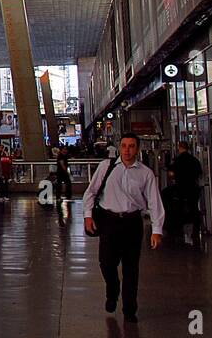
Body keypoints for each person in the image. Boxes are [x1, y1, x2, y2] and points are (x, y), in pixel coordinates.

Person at [83, 133, 164, 323]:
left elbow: (154, 201)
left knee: (131, 268)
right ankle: (112, 290)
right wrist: (88, 217)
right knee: (106, 263)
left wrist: (156, 230)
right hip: (109, 221)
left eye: (131, 146)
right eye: (124, 146)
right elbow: (91, 192)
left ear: (138, 149)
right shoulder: (107, 167)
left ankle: (129, 310)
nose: (127, 150)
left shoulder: (145, 173)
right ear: (119, 148)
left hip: (132, 223)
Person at [170, 141, 203, 242]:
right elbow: (199, 173)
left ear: (179, 148)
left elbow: (171, 174)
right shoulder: (194, 160)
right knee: (194, 208)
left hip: (180, 188)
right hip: (193, 187)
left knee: (179, 208)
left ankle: (179, 230)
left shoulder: (177, 161)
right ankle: (196, 230)